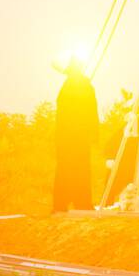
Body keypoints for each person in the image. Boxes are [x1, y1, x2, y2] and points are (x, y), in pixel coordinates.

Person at [53, 58, 99, 212]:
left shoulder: (73, 86)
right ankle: (77, 203)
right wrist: (94, 134)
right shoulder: (83, 86)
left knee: (69, 170)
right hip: (76, 137)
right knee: (77, 170)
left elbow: (91, 111)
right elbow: (92, 111)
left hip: (72, 136)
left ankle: (67, 204)